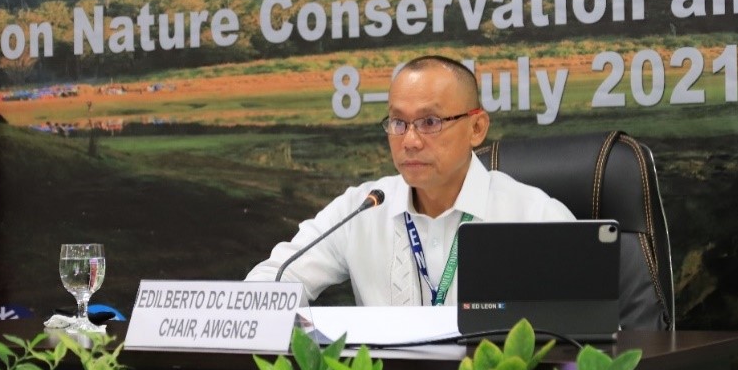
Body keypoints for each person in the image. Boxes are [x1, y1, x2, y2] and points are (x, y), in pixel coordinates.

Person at [246, 55, 574, 305]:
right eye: (398, 123)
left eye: (430, 122)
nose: (410, 140)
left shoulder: (537, 216)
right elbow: (275, 277)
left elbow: (585, 331)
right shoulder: (362, 208)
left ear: (476, 129)